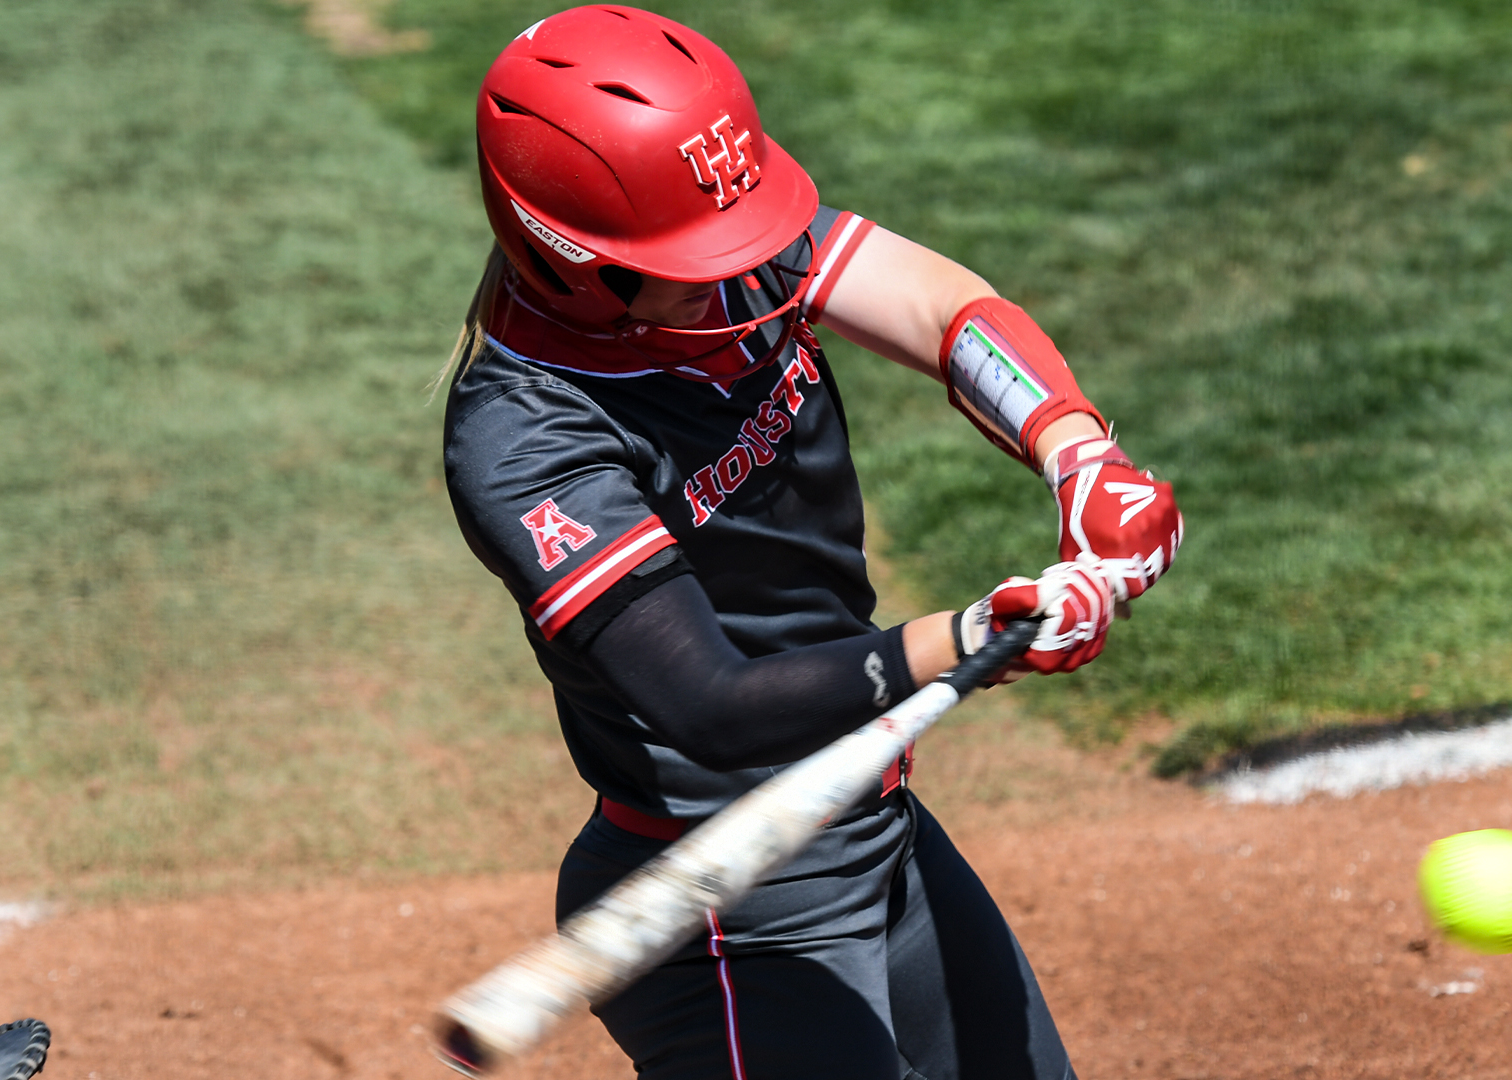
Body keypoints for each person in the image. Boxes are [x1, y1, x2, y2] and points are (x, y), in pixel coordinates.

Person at [440, 7, 1182, 1078]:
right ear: (576, 263)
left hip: (870, 829)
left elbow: (940, 310)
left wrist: (1078, 457)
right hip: (726, 906)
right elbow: (713, 705)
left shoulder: (721, 258)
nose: (743, 275)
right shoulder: (527, 441)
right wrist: (971, 634)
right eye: (697, 259)